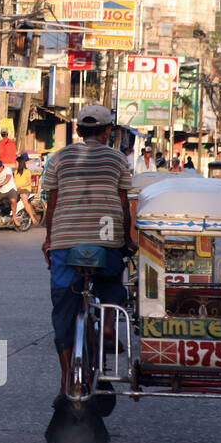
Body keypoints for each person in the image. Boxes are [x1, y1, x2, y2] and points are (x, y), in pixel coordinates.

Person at [41, 104, 132, 400]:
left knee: (64, 308)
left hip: (65, 241)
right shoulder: (117, 159)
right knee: (112, 285)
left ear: (79, 130)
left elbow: (51, 205)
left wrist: (49, 240)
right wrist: (127, 239)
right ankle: (107, 324)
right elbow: (123, 205)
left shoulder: (58, 158)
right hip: (106, 238)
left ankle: (66, 380)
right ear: (107, 131)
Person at [13, 152, 41, 225]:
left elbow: (29, 182)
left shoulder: (27, 171)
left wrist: (19, 186)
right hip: (16, 189)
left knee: (24, 198)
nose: (15, 164)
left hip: (25, 189)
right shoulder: (15, 172)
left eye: (16, 163)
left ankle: (32, 218)